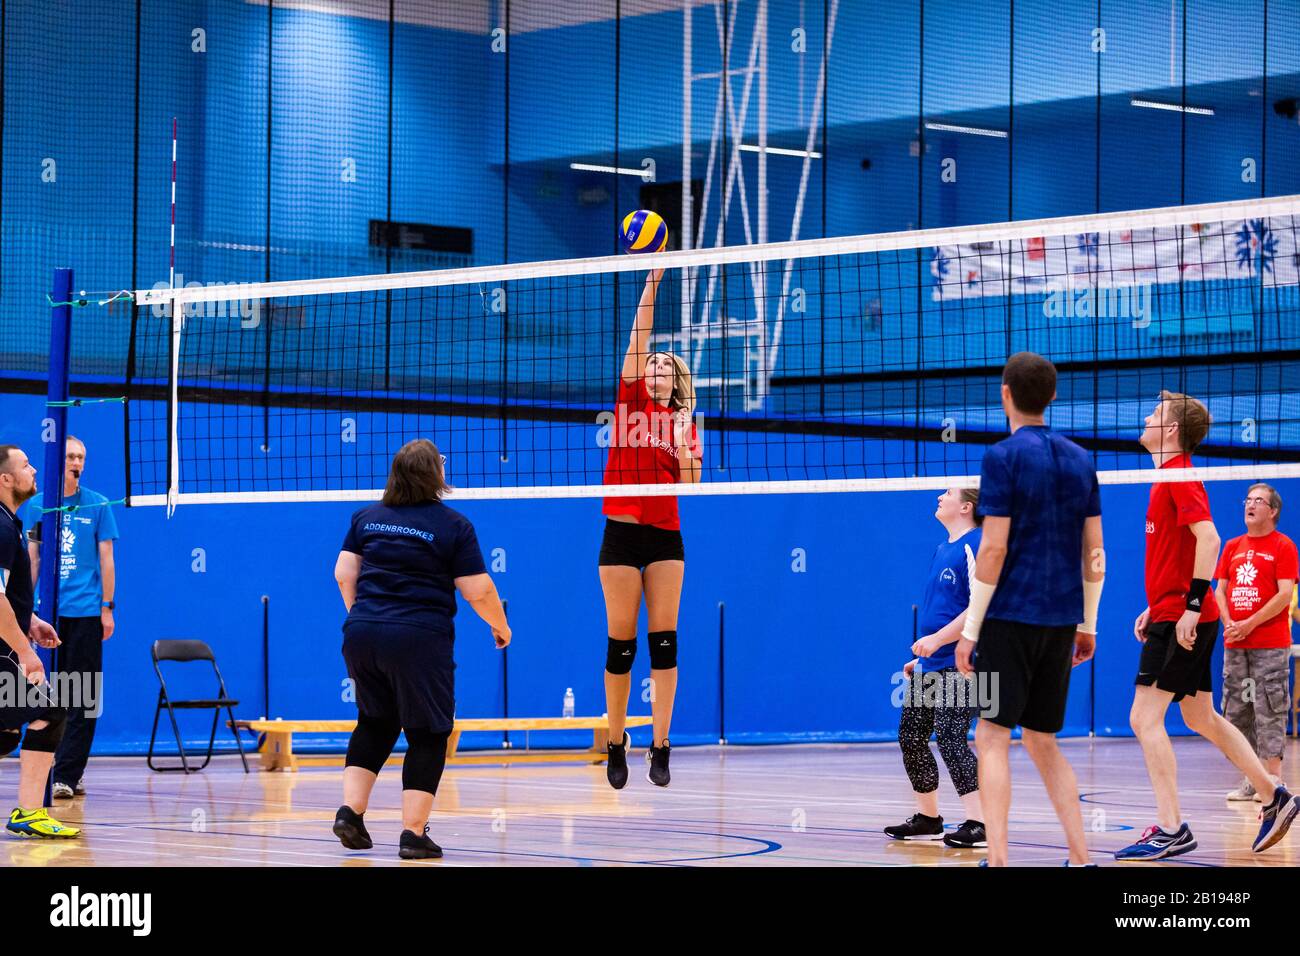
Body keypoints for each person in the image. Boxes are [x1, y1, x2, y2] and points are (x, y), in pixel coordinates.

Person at [1117, 393, 1299, 860]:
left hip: (1182, 617)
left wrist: (1190, 607)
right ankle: (1273, 793)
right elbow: (1180, 552)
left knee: (1144, 718)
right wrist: (1157, 603)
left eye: (1155, 413)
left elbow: (1209, 537)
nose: (1146, 416)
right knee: (1200, 716)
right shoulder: (1166, 477)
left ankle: (1172, 827)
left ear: (1173, 429)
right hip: (1173, 610)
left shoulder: (1179, 474)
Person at [955, 352, 1104, 868]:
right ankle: (1081, 857)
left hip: (1009, 618)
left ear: (1005, 393)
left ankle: (998, 860)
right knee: (1044, 740)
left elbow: (992, 550)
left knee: (991, 736)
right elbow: (1095, 554)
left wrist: (970, 630)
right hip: (1062, 620)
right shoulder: (1082, 458)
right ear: (1053, 396)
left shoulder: (1001, 457)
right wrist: (1087, 624)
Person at [331, 439, 509, 859]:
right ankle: (413, 834)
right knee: (429, 733)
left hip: (361, 634)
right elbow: (478, 589)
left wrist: (366, 618)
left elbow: (342, 573)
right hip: (418, 639)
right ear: (434, 474)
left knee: (375, 722)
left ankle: (350, 814)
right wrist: (501, 626)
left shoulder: (367, 517)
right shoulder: (453, 525)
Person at [598, 267, 701, 789]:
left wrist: (683, 440)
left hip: (665, 537)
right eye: (651, 360)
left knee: (664, 644)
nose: (656, 364)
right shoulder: (629, 399)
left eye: (665, 362)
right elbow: (639, 337)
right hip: (620, 534)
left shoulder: (685, 421)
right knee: (621, 645)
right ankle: (617, 739)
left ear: (677, 378)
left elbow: (692, 481)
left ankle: (661, 744)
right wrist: (653, 283)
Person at [885, 488, 985, 849]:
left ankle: (980, 823)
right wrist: (924, 656)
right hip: (933, 662)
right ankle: (928, 818)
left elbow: (980, 606)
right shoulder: (943, 548)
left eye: (948, 493)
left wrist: (939, 641)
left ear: (966, 506)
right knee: (910, 737)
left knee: (952, 737)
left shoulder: (977, 544)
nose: (940, 496)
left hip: (966, 660)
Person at [22, 436, 118, 799]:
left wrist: (107, 607)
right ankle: (52, 769)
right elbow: (32, 558)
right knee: (46, 694)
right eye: (70, 456)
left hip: (85, 614)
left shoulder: (98, 505)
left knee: (84, 696)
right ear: (56, 461)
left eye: (81, 456)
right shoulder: (38, 507)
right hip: (47, 615)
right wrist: (26, 610)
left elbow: (107, 559)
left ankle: (67, 773)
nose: (76, 462)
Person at [0, 445, 79, 838]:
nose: (34, 470)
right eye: (26, 465)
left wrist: (29, 620)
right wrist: (26, 651)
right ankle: (29, 813)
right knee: (50, 709)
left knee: (10, 730)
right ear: (6, 479)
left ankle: (29, 812)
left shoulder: (8, 522)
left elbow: (5, 593)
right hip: (2, 652)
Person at [1216, 483, 1295, 802]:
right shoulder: (1233, 546)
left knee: (1270, 706)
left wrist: (1249, 624)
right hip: (1235, 644)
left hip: (1270, 643)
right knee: (1237, 709)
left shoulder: (1283, 546)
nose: (1250, 505)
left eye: (1258, 501)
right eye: (1248, 500)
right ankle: (1252, 777)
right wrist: (1229, 623)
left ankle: (1273, 780)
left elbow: (1285, 594)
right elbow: (1219, 589)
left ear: (1272, 510)